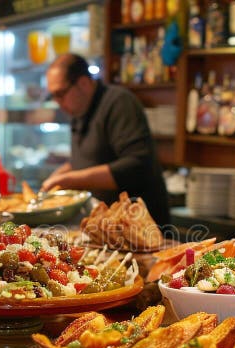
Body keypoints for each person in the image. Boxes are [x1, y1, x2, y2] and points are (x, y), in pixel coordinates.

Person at [41, 53, 170, 225]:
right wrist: (59, 176)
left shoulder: (119, 102)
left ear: (83, 83)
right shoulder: (79, 110)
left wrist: (69, 180)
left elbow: (137, 166)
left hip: (139, 224)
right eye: (53, 96)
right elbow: (87, 159)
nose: (58, 102)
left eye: (60, 93)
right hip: (103, 222)